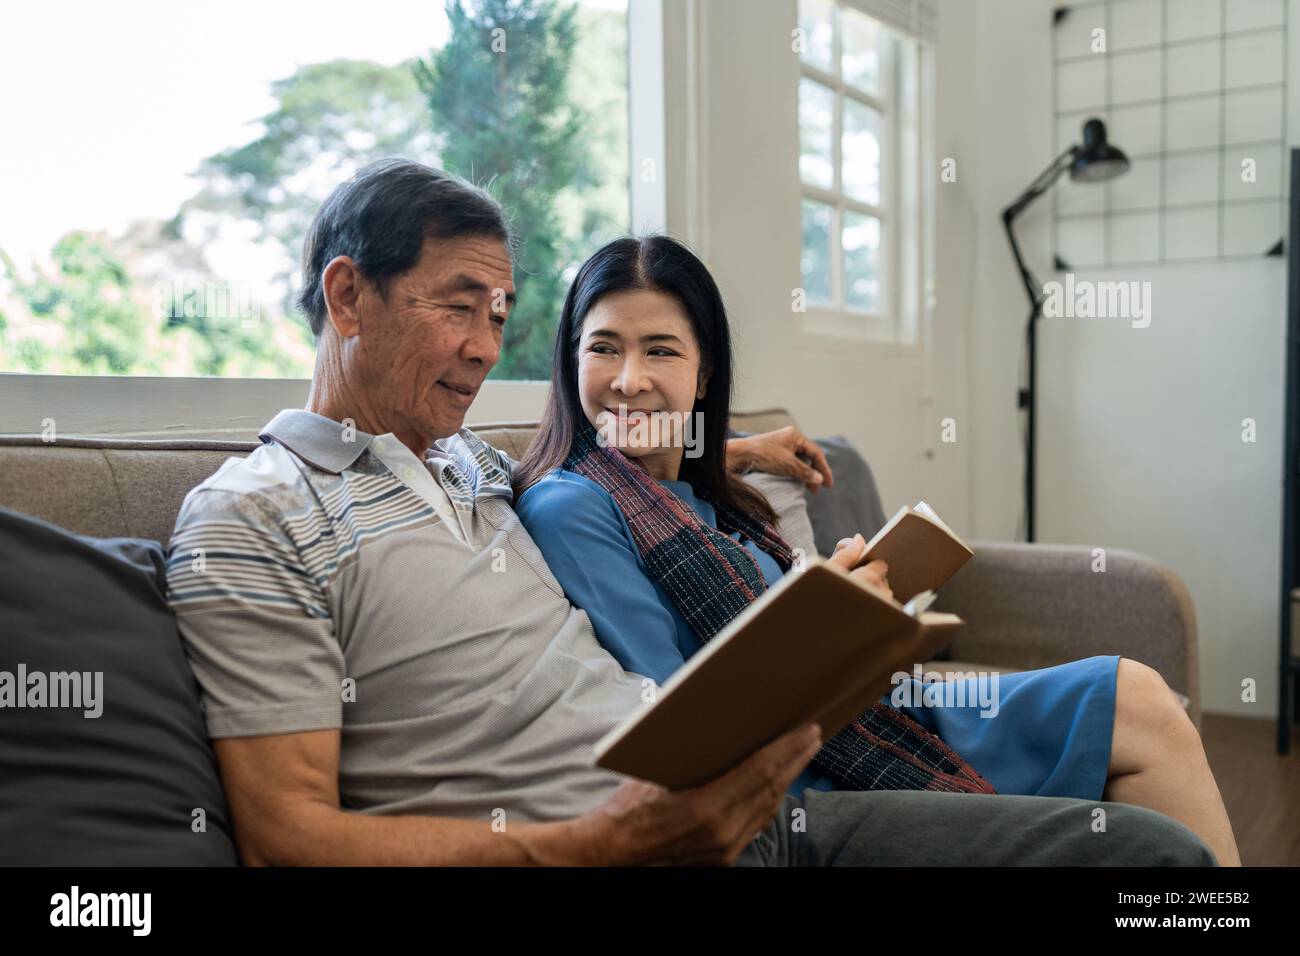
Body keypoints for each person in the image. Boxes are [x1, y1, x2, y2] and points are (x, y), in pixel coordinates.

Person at [165, 159, 1219, 866]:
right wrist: (595, 842)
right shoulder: (253, 515)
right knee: (1144, 857)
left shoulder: (470, 468)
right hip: (636, 843)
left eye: (500, 313)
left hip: (743, 801)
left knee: (1137, 845)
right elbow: (284, 833)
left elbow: (608, 453)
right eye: (457, 306)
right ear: (347, 297)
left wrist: (734, 447)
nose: (488, 348)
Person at [513, 234, 1241, 866]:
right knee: (1149, 834)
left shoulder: (704, 498)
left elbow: (676, 473)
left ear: (703, 377)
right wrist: (826, 629)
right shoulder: (572, 505)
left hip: (869, 711)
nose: (629, 379)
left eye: (660, 351)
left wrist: (844, 607)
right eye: (603, 348)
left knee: (1137, 695)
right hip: (799, 769)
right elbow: (684, 721)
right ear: (570, 362)